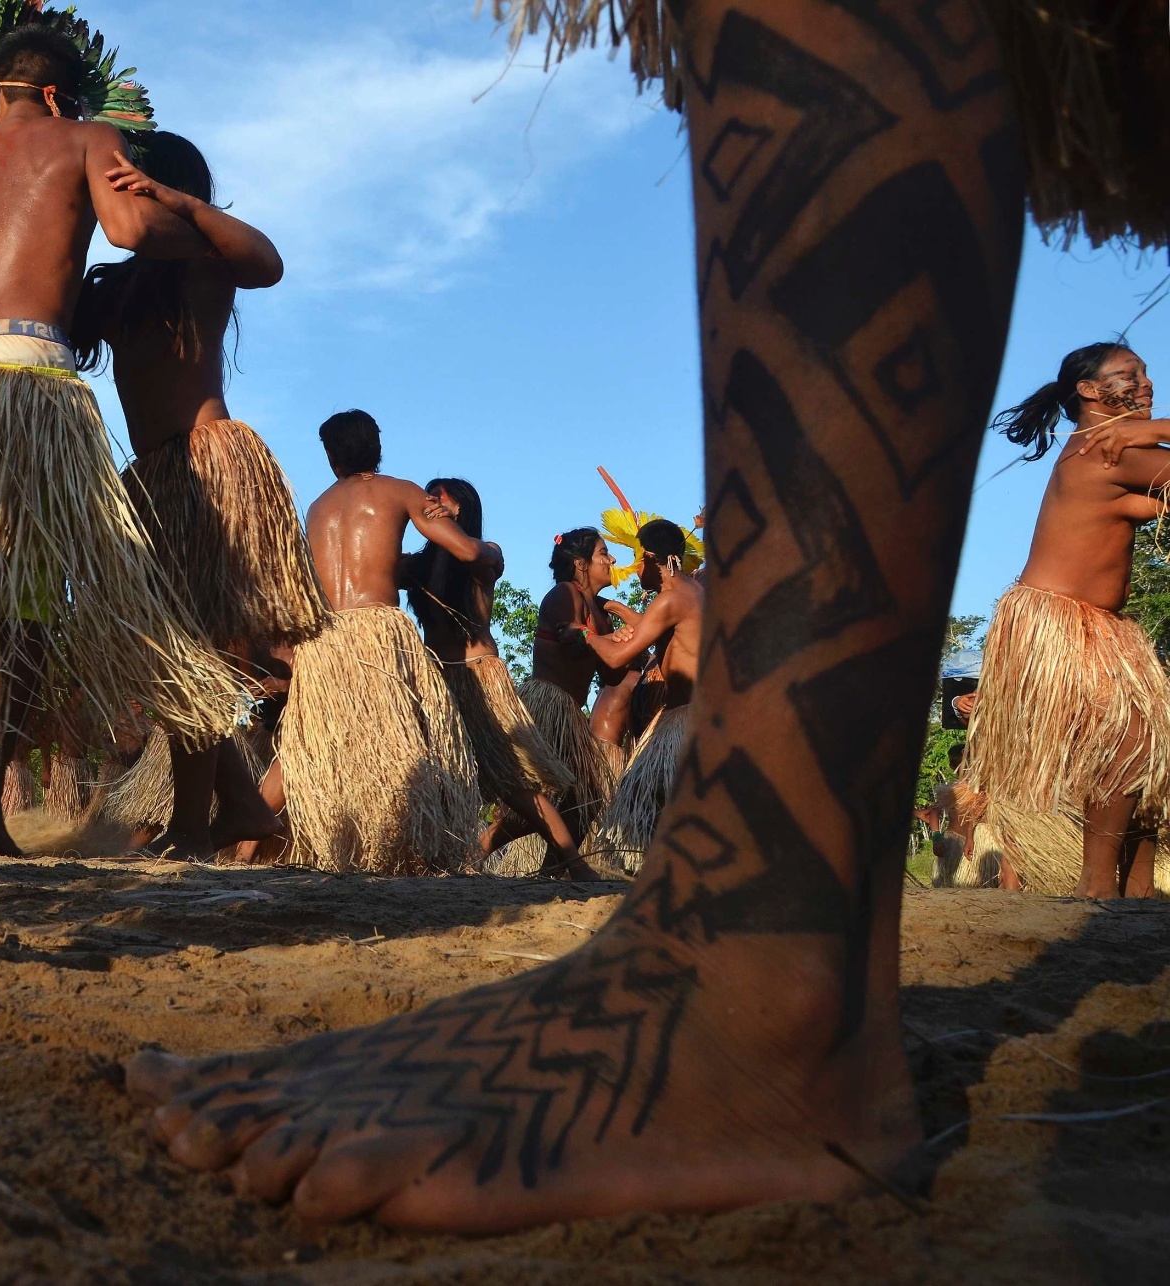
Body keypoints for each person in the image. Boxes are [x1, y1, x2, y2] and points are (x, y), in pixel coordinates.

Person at [125, 0, 1062, 1229]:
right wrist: (491, 563)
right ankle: (757, 961)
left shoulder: (318, 498)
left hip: (347, 634)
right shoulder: (420, 506)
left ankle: (765, 980)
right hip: (409, 652)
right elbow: (508, 577)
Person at [0, 24, 248, 856]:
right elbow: (129, 232)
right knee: (34, 601)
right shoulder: (87, 138)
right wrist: (188, 216)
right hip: (29, 377)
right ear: (64, 97)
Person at [70, 130, 323, 859]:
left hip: (210, 465)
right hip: (152, 480)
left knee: (194, 650)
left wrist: (177, 203)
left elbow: (268, 263)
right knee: (169, 651)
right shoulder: (115, 287)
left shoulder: (206, 263)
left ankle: (192, 825)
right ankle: (239, 806)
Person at [957, 343, 1170, 898]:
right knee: (1126, 742)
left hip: (1099, 625)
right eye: (1128, 375)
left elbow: (1149, 500)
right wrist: (1155, 429)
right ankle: (1096, 888)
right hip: (1060, 623)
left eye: (1145, 372)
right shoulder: (1105, 454)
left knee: (1150, 750)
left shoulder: (1112, 452)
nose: (1145, 382)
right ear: (1090, 391)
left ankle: (1138, 894)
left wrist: (1147, 431)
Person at [265, 411, 487, 873]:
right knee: (401, 742)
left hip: (325, 640)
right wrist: (490, 550)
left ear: (332, 457)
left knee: (308, 745)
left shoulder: (318, 507)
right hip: (377, 636)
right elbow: (466, 550)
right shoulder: (400, 491)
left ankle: (247, 840)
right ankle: (400, 850)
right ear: (378, 447)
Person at [402, 479, 586, 876]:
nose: (430, 501)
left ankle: (575, 863)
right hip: (434, 679)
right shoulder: (416, 565)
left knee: (514, 782)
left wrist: (448, 527)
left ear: (463, 506)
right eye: (426, 495)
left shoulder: (486, 552)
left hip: (479, 677)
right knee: (429, 774)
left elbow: (482, 555)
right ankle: (439, 862)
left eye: (440, 496)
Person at [571, 517, 705, 871]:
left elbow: (617, 657)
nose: (634, 568)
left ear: (648, 557)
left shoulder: (670, 600)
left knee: (642, 801)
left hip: (685, 720)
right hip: (699, 717)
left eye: (636, 559)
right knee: (654, 801)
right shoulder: (692, 592)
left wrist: (584, 633)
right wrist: (614, 608)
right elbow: (655, 629)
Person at [521, 528, 628, 845]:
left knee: (588, 796)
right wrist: (603, 639)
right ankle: (482, 848)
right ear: (581, 564)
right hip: (547, 707)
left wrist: (623, 627)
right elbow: (570, 637)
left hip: (570, 714)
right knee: (535, 802)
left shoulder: (599, 611)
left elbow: (611, 674)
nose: (612, 560)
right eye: (603, 553)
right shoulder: (564, 594)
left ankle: (555, 866)